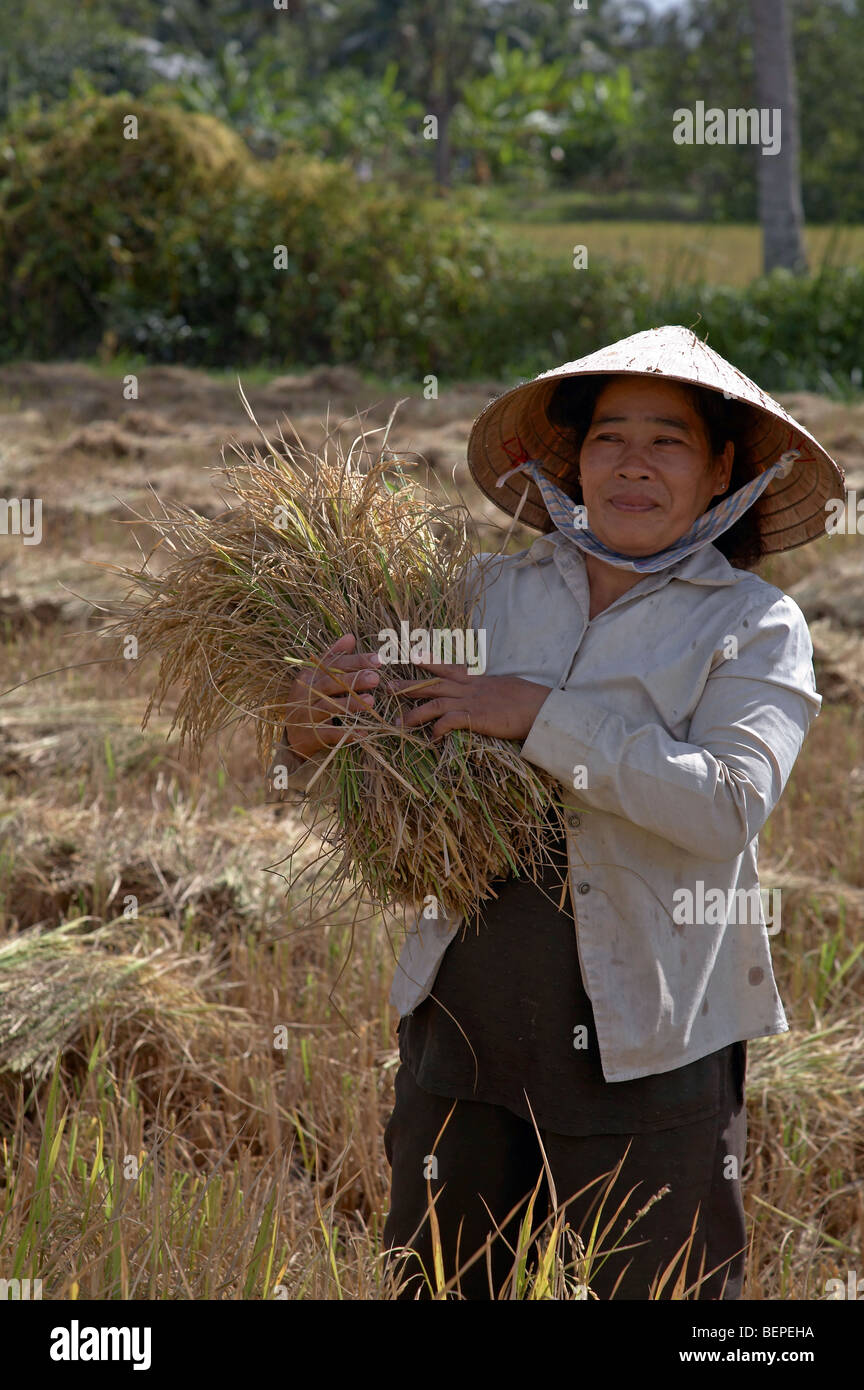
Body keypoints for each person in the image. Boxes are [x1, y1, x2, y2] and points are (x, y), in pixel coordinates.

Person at [267, 325, 845, 1300]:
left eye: (667, 440)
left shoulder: (751, 624)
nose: (632, 462)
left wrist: (535, 713)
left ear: (720, 471)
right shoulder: (484, 593)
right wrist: (318, 722)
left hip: (655, 1037)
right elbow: (370, 764)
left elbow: (728, 804)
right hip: (466, 1025)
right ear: (569, 463)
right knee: (440, 1286)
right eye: (609, 436)